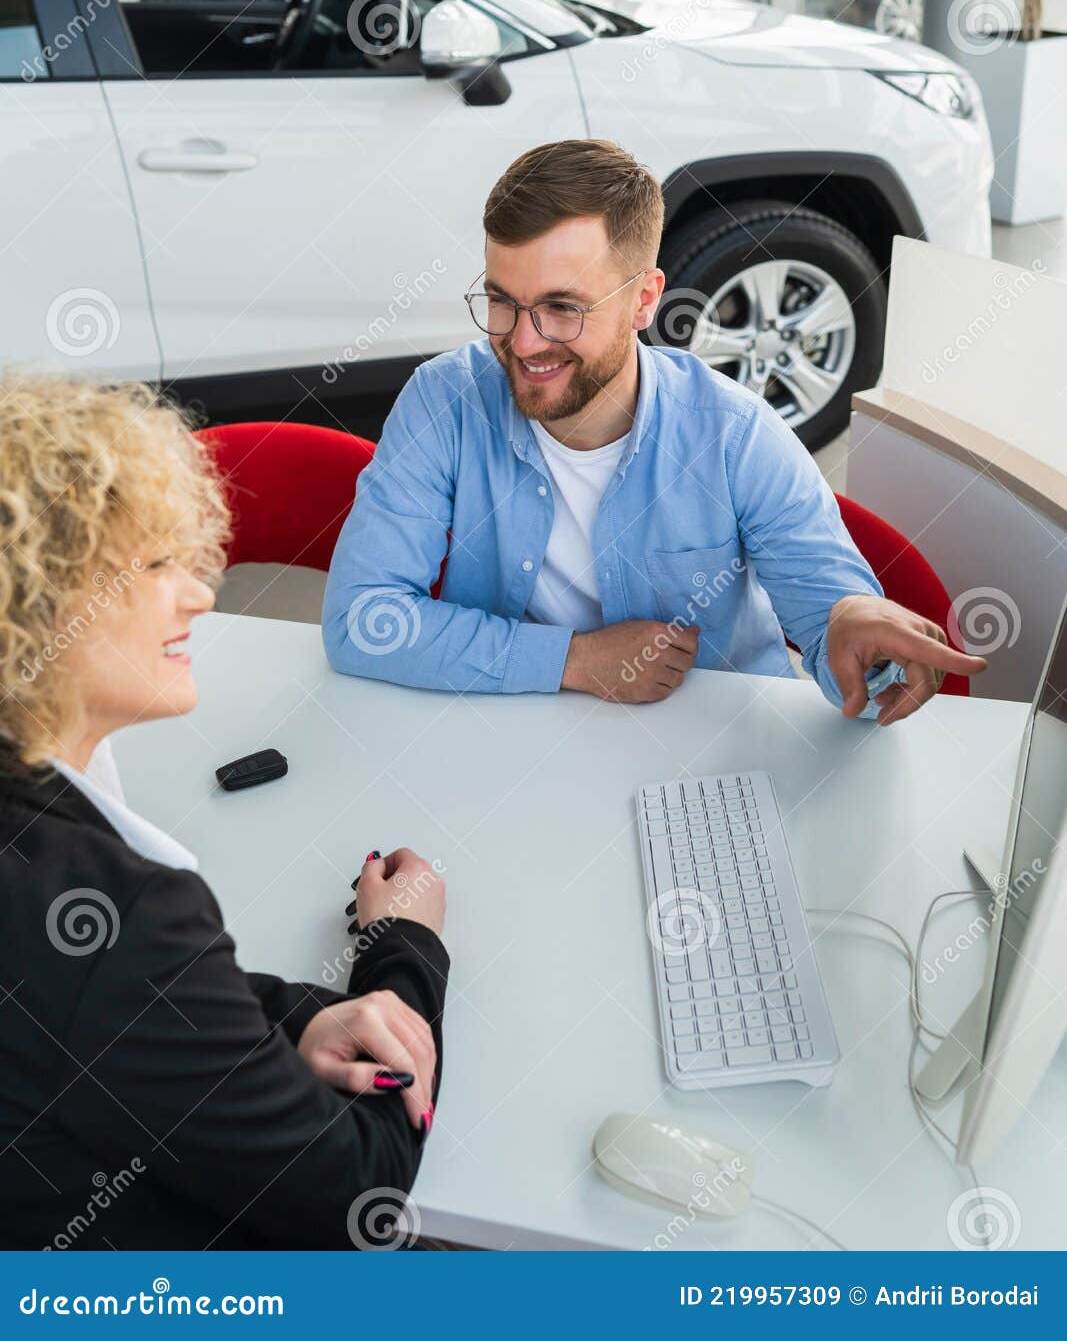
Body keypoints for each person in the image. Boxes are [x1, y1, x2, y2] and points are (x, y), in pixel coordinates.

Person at [0, 372, 447, 1250]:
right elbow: (362, 1200)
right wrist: (406, 952)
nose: (202, 595)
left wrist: (293, 1019)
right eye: (154, 566)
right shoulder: (121, 913)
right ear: (38, 598)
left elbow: (92, 1010)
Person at [324, 138, 983, 723]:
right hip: (516, 731)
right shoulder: (444, 401)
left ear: (644, 300)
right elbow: (363, 622)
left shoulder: (733, 432)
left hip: (711, 755)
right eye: (501, 301)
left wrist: (848, 622)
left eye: (561, 308)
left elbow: (836, 617)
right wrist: (574, 660)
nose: (522, 342)